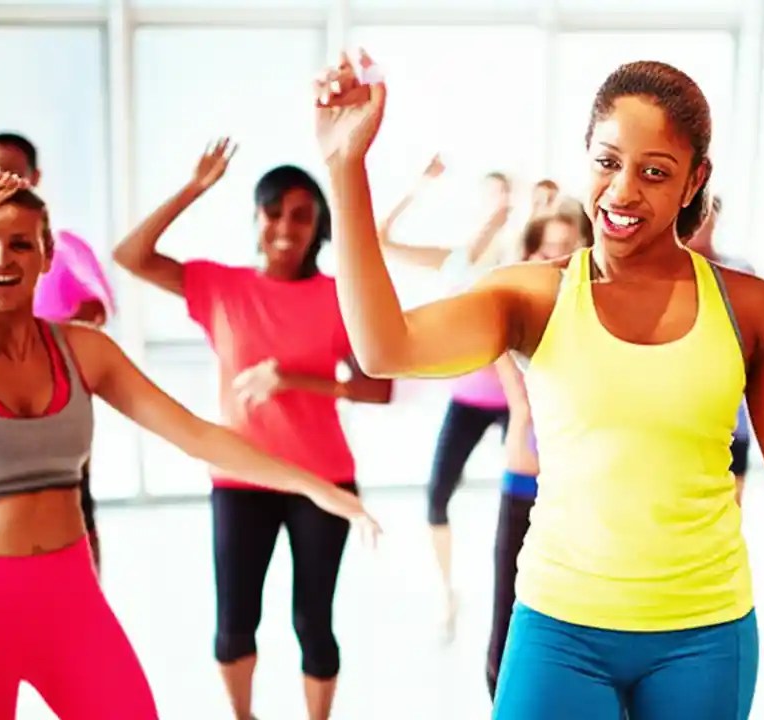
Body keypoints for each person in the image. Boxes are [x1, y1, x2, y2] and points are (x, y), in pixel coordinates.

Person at [313, 51, 764, 719]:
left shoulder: (749, 306)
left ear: (694, 180)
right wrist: (347, 169)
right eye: (608, 162)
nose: (622, 191)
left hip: (704, 635)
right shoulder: (535, 296)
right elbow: (384, 348)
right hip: (559, 627)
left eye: (654, 171)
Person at [0, 173, 378, 720]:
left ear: (47, 256)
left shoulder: (83, 350)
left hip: (69, 597)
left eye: (21, 242)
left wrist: (318, 488)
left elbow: (194, 432)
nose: (2, 257)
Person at [112, 140, 391, 720]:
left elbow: (377, 387)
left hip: (325, 480)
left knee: (314, 622)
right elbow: (130, 255)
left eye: (301, 215)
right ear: (257, 218)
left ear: (319, 228)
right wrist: (193, 186)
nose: (285, 226)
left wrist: (293, 379)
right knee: (235, 621)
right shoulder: (220, 286)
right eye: (273, 211)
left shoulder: (338, 297)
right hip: (239, 479)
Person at [0, 125, 115, 571]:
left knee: (75, 505)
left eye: (12, 174)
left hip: (53, 392)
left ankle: (84, 589)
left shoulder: (61, 248)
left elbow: (95, 311)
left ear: (35, 178)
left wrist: (41, 346)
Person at [377, 155, 514, 640]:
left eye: (503, 198)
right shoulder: (455, 259)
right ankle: (446, 592)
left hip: (519, 404)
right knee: (436, 497)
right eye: (488, 198)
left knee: (527, 501)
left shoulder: (520, 262)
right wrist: (418, 185)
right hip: (468, 399)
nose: (494, 207)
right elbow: (380, 238)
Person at [484, 205, 592, 699]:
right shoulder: (513, 324)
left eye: (568, 250)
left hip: (585, 498)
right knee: (505, 634)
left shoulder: (601, 326)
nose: (557, 261)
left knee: (580, 632)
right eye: (546, 250)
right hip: (526, 482)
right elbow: (525, 408)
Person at [683, 195, 756, 504]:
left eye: (707, 212)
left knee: (728, 512)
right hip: (678, 423)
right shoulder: (661, 275)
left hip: (730, 420)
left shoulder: (740, 271)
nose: (702, 221)